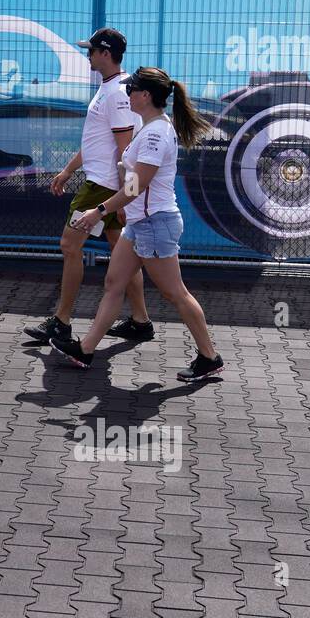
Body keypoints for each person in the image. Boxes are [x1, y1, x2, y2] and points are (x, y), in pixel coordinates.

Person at [50, 66, 225, 382]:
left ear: (145, 96)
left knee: (175, 293)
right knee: (114, 284)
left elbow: (136, 187)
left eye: (132, 89)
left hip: (156, 225)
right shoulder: (148, 127)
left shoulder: (156, 133)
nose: (127, 94)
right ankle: (85, 350)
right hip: (139, 225)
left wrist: (99, 211)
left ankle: (209, 357)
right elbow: (132, 180)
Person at [25, 28, 151, 344]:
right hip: (105, 185)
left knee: (70, 246)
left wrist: (125, 199)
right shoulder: (111, 88)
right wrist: (68, 171)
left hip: (103, 188)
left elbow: (125, 151)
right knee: (122, 253)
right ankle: (140, 321)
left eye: (92, 50)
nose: (88, 54)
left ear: (105, 54)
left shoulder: (117, 93)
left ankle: (62, 322)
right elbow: (97, 141)